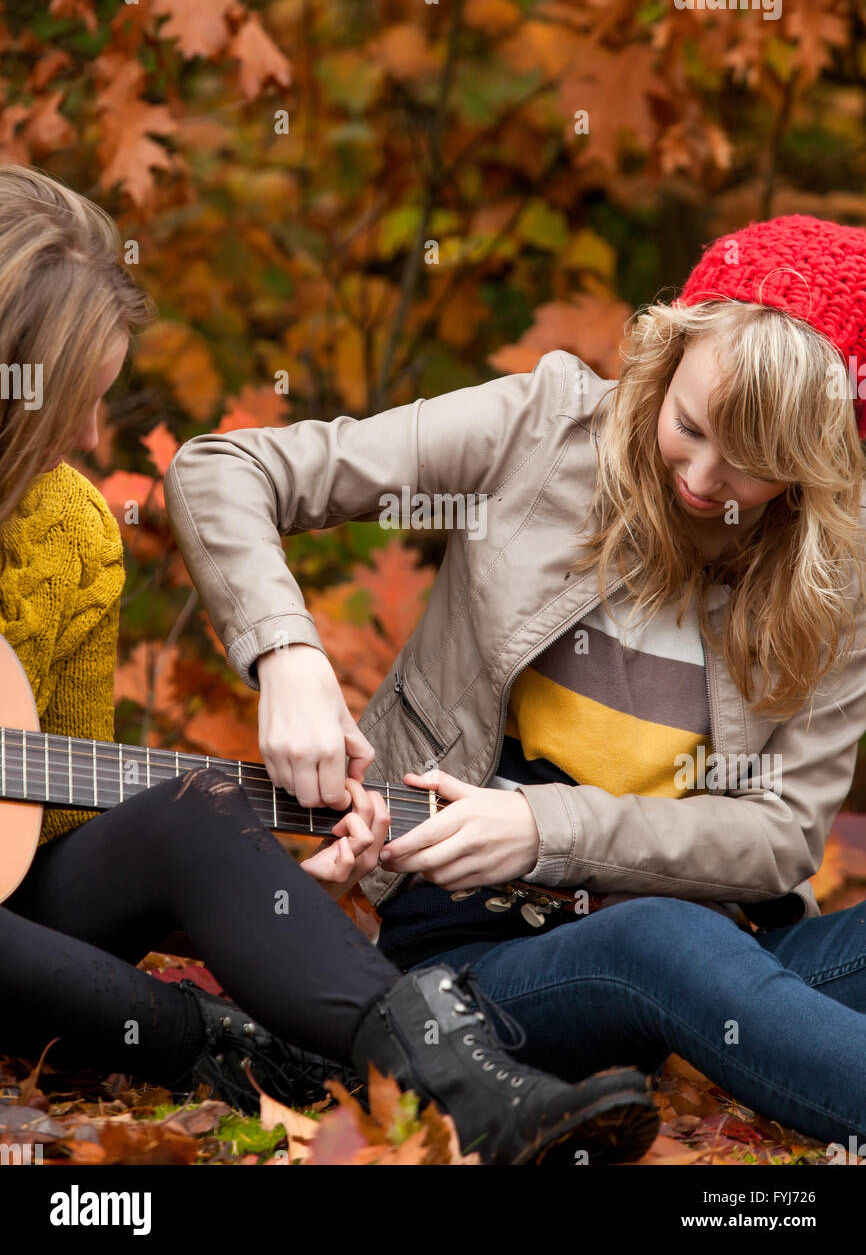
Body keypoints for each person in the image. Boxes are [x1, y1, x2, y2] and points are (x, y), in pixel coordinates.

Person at [0, 163, 661, 1167]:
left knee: (193, 809)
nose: (93, 439)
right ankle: (220, 1050)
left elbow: (67, 838)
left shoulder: (72, 531)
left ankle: (459, 1089)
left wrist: (271, 883)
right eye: (75, 406)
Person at [166, 213, 866, 1149]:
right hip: (487, 954)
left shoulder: (836, 568)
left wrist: (548, 827)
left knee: (699, 943)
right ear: (669, 352)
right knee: (661, 941)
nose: (702, 478)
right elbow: (225, 469)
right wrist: (286, 657)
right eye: (689, 426)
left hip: (744, 952)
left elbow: (778, 836)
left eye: (755, 466)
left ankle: (778, 1052)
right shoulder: (540, 429)